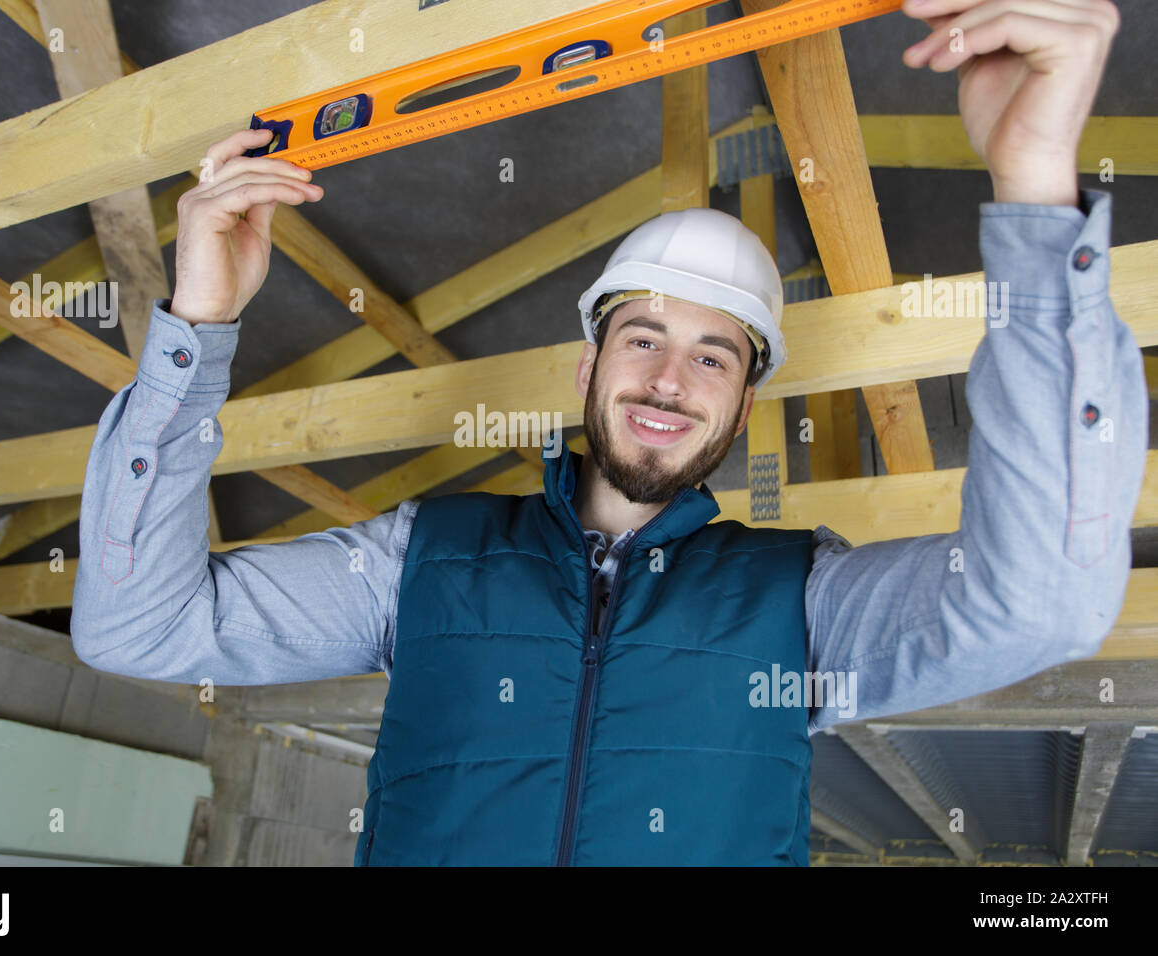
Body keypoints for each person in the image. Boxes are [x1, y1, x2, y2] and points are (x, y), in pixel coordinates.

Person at [71, 0, 1144, 865]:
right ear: (588, 364)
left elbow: (1040, 599)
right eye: (643, 338)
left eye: (714, 355)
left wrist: (1035, 189)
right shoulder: (417, 562)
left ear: (741, 402)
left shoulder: (799, 606)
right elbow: (134, 629)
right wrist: (197, 326)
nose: (671, 378)